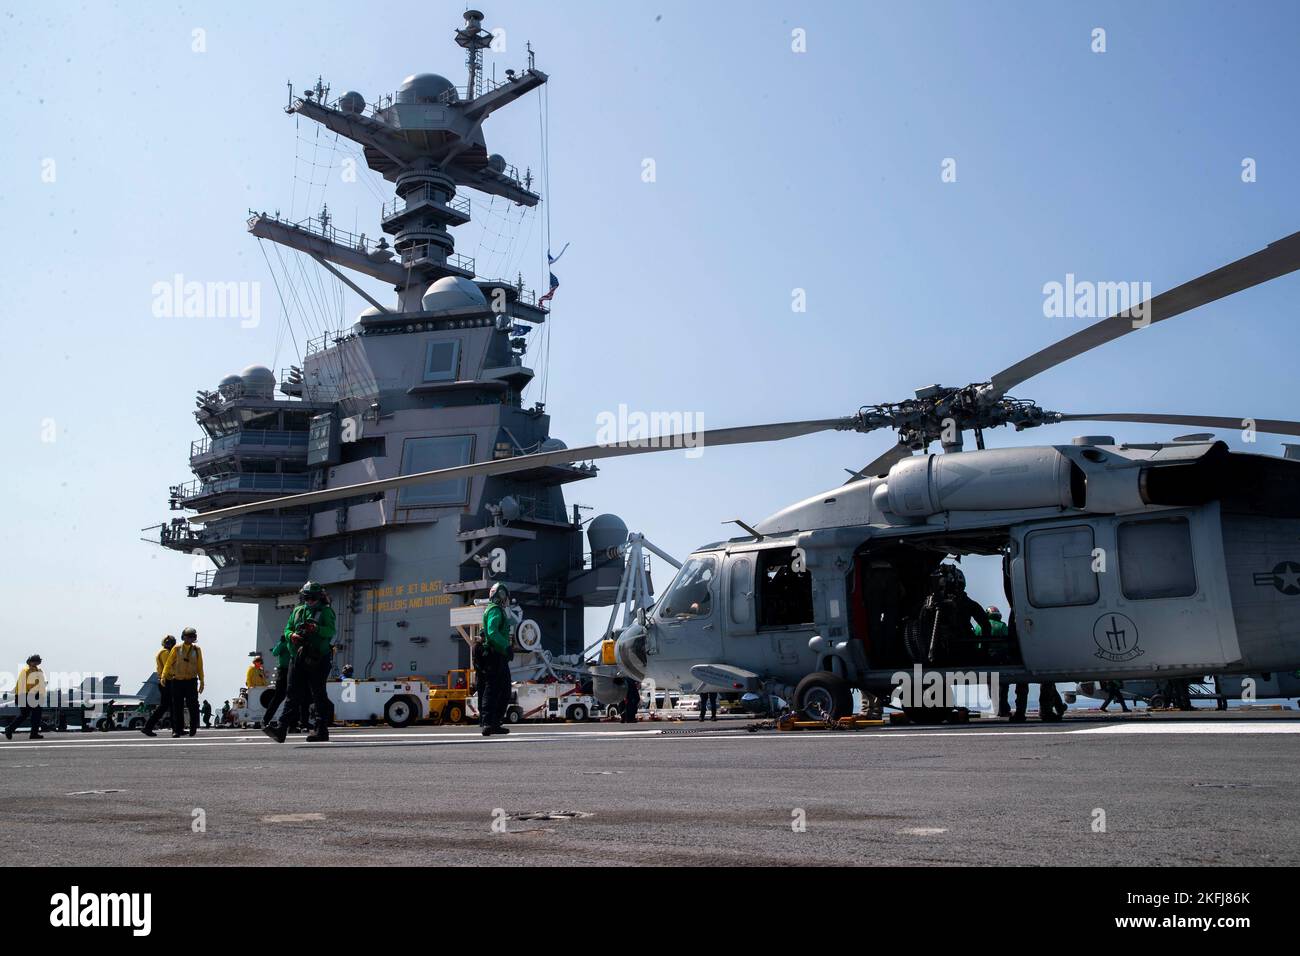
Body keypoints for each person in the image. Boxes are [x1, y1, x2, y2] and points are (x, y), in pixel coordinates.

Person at [268, 581, 336, 743]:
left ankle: (321, 731)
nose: (310, 600)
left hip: (318, 658)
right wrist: (292, 635)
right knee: (292, 693)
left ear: (319, 597)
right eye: (307, 597)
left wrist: (316, 629)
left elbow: (331, 631)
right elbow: (288, 628)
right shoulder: (298, 611)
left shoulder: (325, 612)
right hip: (298, 657)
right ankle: (281, 729)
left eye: (313, 597)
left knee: (318, 693)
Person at [477, 582, 513, 736]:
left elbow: (487, 631)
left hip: (494, 655)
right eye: (504, 596)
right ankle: (489, 723)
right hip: (496, 656)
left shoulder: (491, 610)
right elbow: (492, 632)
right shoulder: (496, 610)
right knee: (495, 689)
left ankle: (493, 723)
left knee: (499, 690)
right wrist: (506, 646)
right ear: (501, 596)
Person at [162, 628, 204, 737]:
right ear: (183, 637)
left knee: (193, 706)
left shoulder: (197, 650)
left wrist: (202, 681)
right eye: (188, 636)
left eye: (192, 636)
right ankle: (176, 730)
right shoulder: (176, 648)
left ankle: (193, 727)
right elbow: (168, 663)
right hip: (178, 681)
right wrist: (163, 676)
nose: (190, 638)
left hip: (191, 681)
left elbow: (200, 666)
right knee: (177, 707)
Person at [140, 635, 177, 737]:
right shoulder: (165, 653)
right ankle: (148, 727)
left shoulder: (163, 652)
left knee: (169, 706)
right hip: (167, 681)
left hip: (165, 681)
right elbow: (168, 667)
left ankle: (176, 729)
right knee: (168, 706)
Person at [4, 654, 46, 741]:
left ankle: (10, 729)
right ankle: (32, 733)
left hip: (33, 695)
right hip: (26, 695)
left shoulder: (38, 670)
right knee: (33, 714)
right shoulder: (26, 671)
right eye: (37, 660)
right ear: (32, 661)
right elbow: (21, 684)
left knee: (28, 715)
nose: (39, 662)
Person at [262, 632, 294, 733]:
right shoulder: (287, 643)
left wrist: (281, 642)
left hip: (289, 670)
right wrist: (282, 642)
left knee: (283, 697)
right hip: (285, 671)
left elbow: (275, 652)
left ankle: (267, 719)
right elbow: (275, 652)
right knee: (281, 697)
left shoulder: (286, 643)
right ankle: (266, 719)